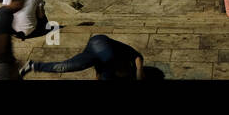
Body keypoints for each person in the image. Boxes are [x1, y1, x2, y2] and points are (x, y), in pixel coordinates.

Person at [22, 35, 152, 80]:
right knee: (108, 63)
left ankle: (33, 65)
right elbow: (138, 59)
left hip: (95, 53)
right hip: (101, 43)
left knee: (66, 66)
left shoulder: (106, 69)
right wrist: (139, 73)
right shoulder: (133, 59)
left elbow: (98, 73)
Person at [0, 0, 27, 79]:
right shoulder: (5, 15)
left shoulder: (5, 12)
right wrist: (12, 65)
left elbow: (5, 29)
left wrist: (17, 33)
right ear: (20, 2)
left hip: (3, 64)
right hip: (2, 67)